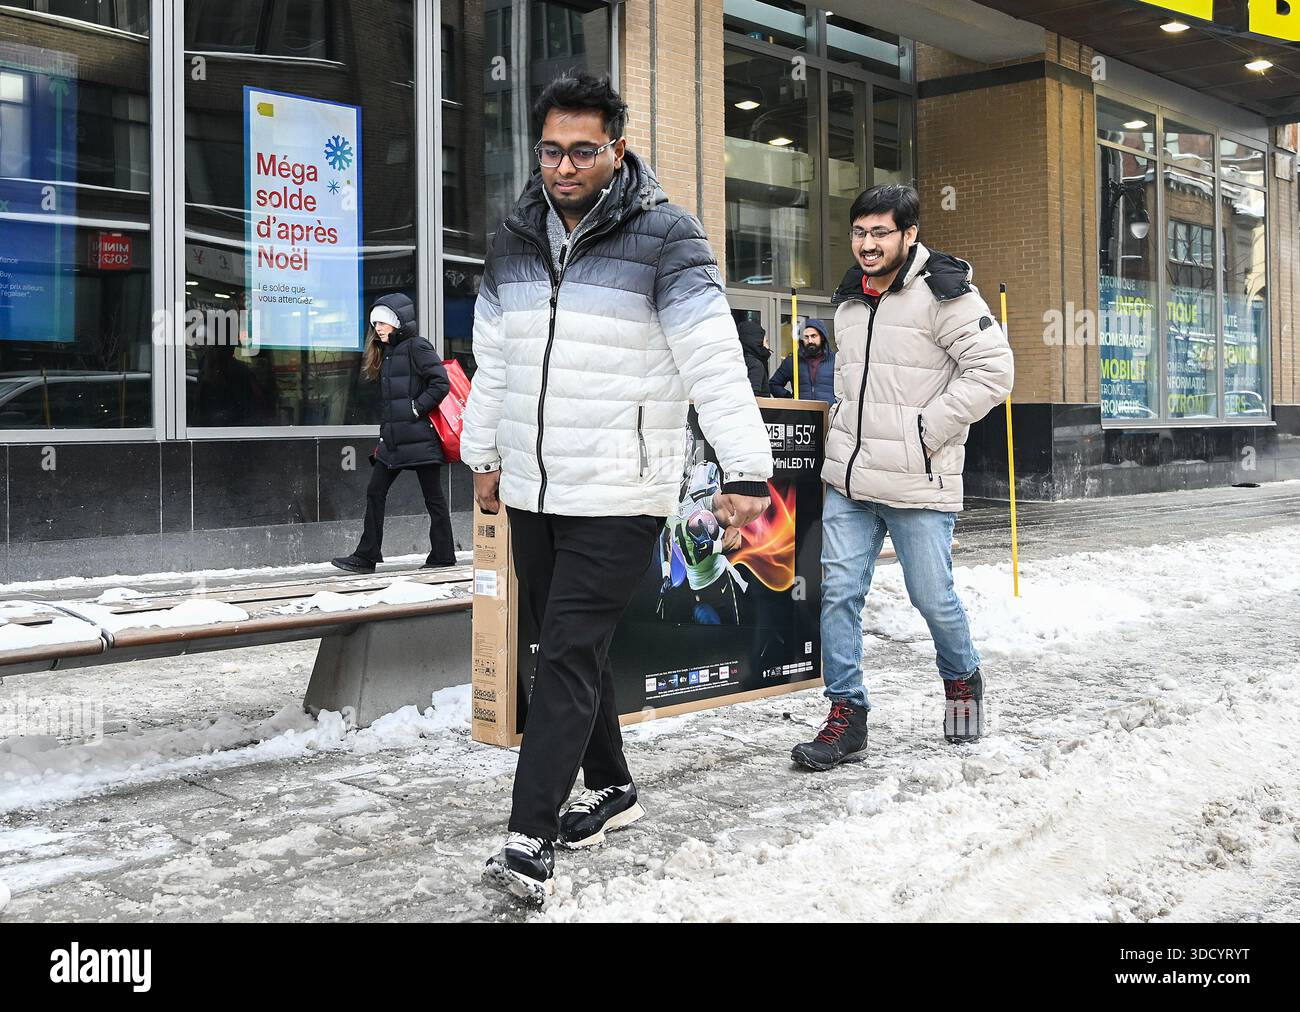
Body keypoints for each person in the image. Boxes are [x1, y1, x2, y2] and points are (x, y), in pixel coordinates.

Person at [461, 71, 773, 905]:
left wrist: (745, 470)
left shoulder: (667, 237)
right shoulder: (512, 236)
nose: (565, 167)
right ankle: (613, 785)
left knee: (561, 653)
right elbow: (495, 363)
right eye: (552, 151)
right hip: (534, 488)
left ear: (616, 149)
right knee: (569, 647)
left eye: (583, 151)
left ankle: (528, 836)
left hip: (621, 491)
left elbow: (714, 358)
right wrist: (482, 455)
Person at [791, 184, 1013, 772]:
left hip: (917, 483)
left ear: (909, 234)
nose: (867, 244)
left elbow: (994, 371)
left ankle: (963, 685)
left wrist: (923, 432)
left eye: (880, 232)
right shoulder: (849, 300)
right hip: (850, 482)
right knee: (837, 595)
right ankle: (846, 715)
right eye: (860, 232)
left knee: (932, 598)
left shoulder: (947, 296)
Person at [331, 294, 457, 575]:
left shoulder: (417, 347)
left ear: (398, 322)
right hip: (393, 441)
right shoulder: (386, 353)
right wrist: (384, 436)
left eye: (383, 322)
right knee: (375, 492)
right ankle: (366, 557)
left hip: (420, 438)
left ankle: (443, 554)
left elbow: (440, 383)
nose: (378, 327)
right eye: (375, 322)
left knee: (433, 498)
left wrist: (415, 409)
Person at [768, 318, 836, 404]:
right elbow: (773, 384)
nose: (810, 341)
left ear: (822, 337)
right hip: (802, 414)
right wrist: (789, 398)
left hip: (829, 413)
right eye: (806, 337)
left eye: (814, 336)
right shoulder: (793, 361)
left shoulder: (835, 360)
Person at [736, 319, 771, 396]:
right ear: (757, 342)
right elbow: (753, 397)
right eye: (766, 342)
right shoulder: (755, 365)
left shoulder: (735, 361)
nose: (768, 347)